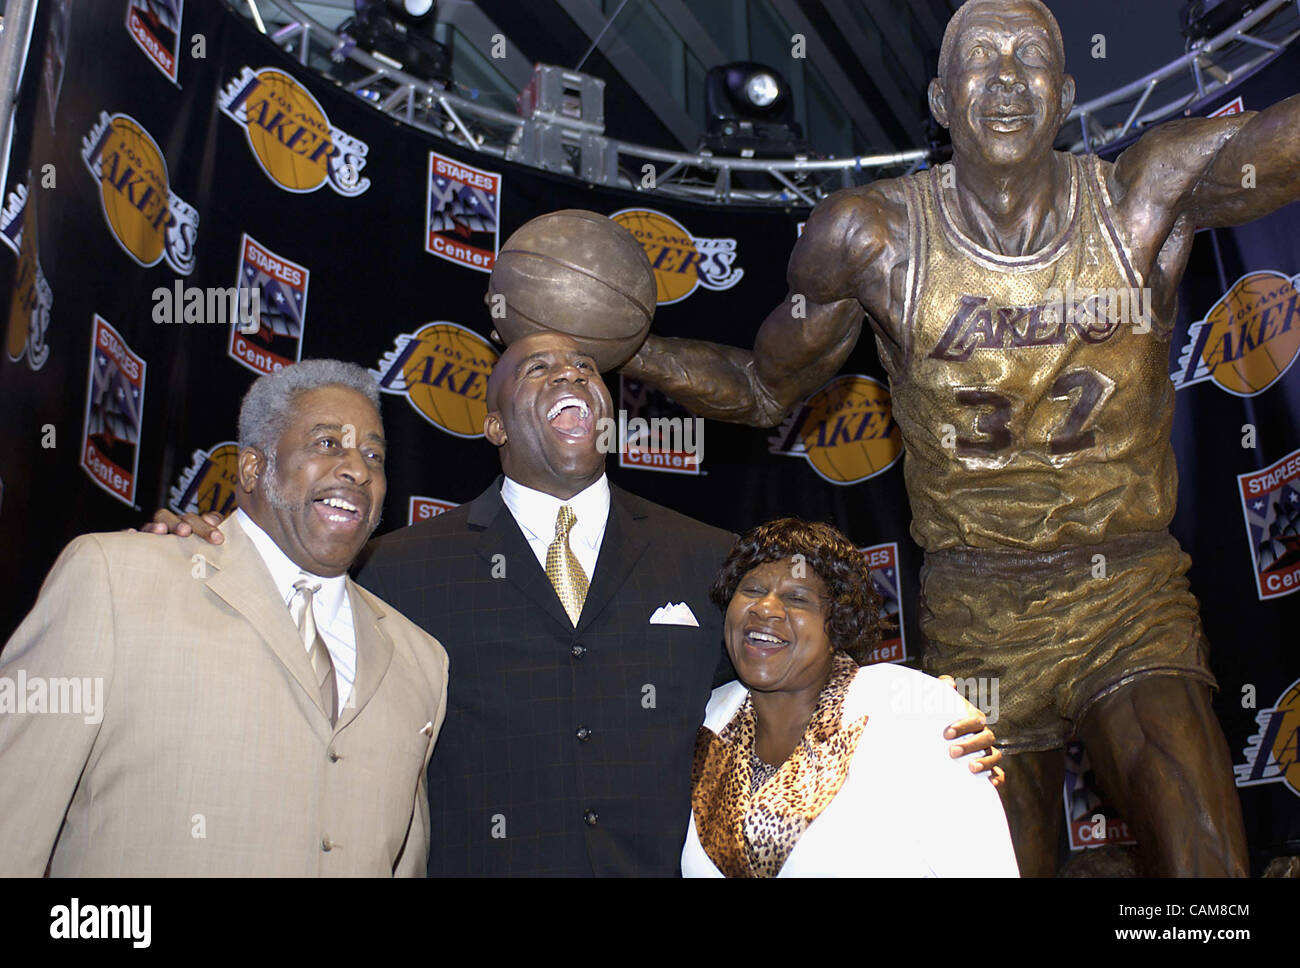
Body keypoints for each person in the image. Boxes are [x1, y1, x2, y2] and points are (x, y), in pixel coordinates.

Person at [622, 0, 1300, 876]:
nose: (1008, 78)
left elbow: (1280, 144)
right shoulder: (872, 239)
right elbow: (761, 388)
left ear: (1063, 93)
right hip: (977, 614)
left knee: (1203, 859)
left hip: (1126, 587)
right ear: (942, 100)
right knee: (995, 866)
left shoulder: (1142, 195)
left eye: (1031, 59)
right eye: (983, 58)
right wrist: (631, 348)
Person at [155, 333, 1002, 876]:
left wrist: (914, 724)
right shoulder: (397, 569)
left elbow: (785, 681)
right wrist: (216, 542)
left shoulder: (706, 556)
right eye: (538, 368)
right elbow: (293, 641)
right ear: (492, 424)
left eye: (584, 368)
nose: (569, 375)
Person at [0, 360, 448, 876]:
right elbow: (14, 819)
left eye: (374, 455)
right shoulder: (117, 579)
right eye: (328, 444)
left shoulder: (421, 662)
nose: (357, 470)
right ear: (254, 469)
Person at [684, 518, 1019, 877]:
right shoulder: (697, 721)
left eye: (797, 598)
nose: (765, 608)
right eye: (751, 590)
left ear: (839, 623)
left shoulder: (911, 712)